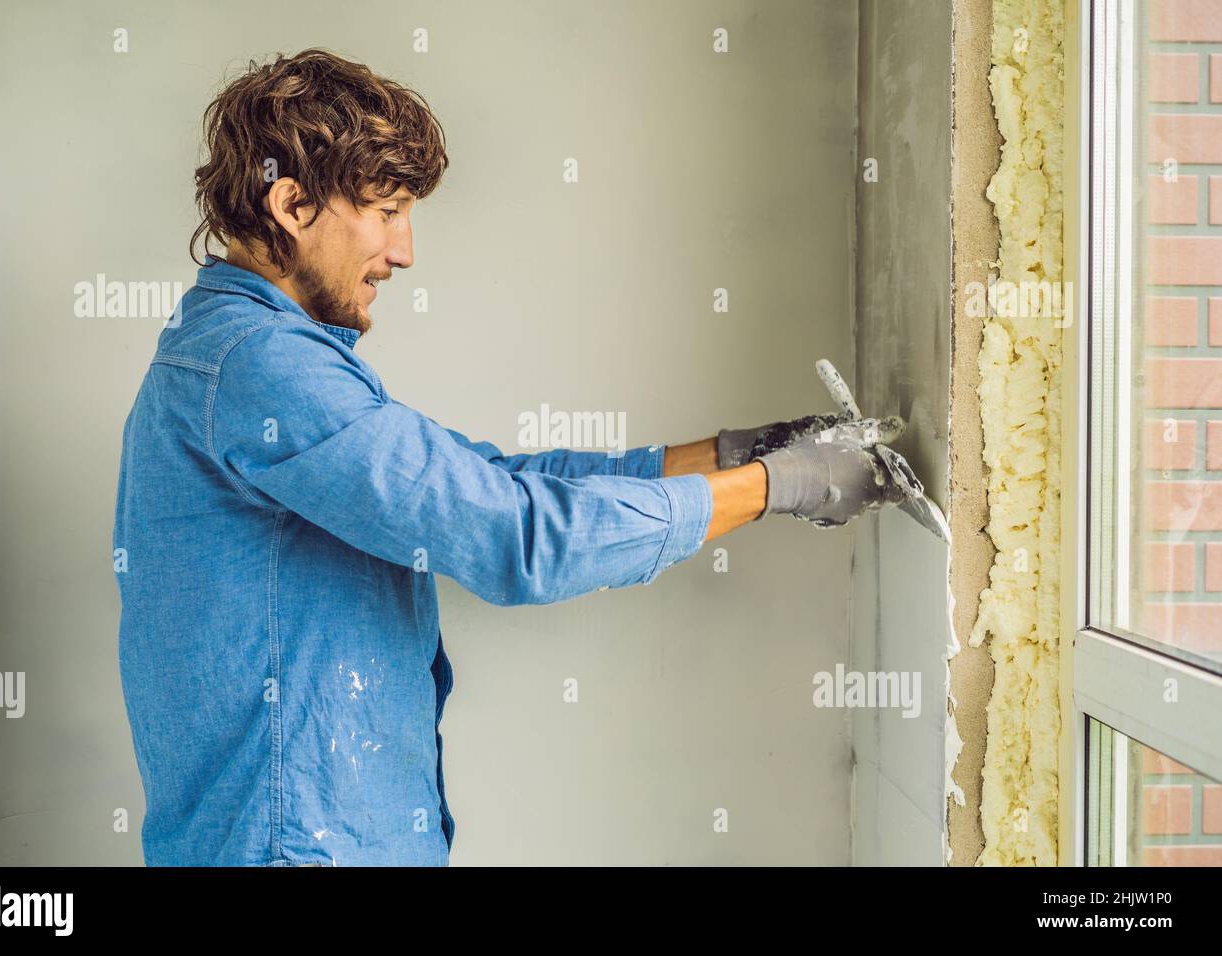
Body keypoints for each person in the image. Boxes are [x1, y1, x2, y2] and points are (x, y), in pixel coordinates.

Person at [112, 48, 894, 867]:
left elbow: (486, 482)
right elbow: (510, 536)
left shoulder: (260, 356)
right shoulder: (262, 367)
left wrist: (732, 455)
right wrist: (778, 487)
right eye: (387, 211)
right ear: (293, 204)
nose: (405, 251)